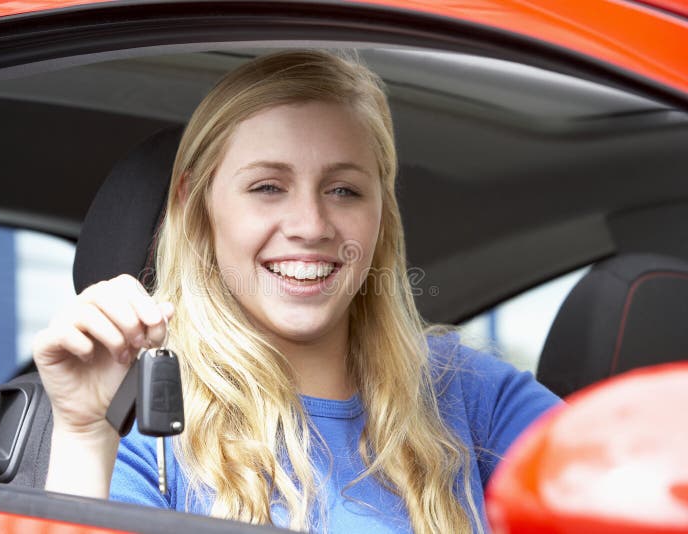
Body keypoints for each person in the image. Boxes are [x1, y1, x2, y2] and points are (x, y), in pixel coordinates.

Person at [33, 50, 560, 533]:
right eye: (268, 187)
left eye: (343, 190)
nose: (311, 225)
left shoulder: (469, 394)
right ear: (197, 202)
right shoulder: (154, 435)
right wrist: (83, 435)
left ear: (383, 215)